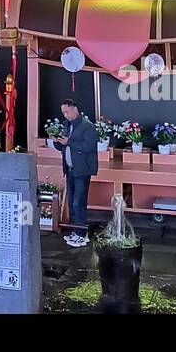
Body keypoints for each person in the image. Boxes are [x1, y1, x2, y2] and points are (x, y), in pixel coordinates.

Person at [53, 98, 98, 248]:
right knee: (71, 203)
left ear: (75, 109)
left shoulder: (87, 126)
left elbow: (89, 146)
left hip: (82, 170)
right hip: (70, 169)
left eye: (67, 111)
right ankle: (75, 230)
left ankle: (81, 234)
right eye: (63, 112)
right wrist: (57, 141)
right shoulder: (67, 126)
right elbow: (63, 148)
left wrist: (68, 142)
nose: (65, 115)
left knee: (79, 203)